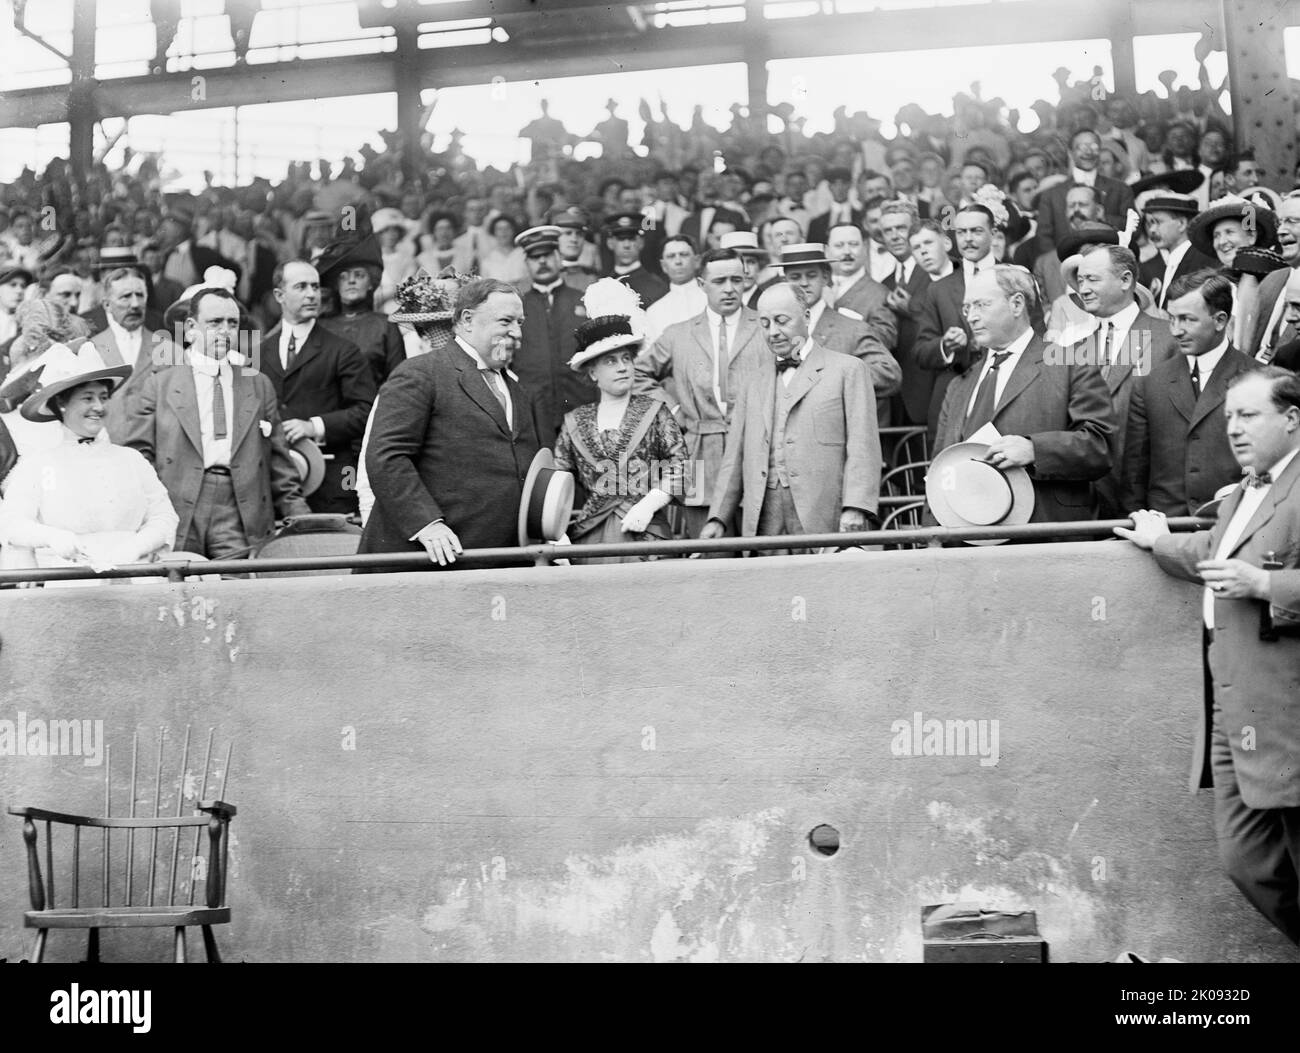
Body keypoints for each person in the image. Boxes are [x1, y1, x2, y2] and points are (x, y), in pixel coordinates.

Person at [1115, 367, 1300, 946]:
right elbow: (1211, 551)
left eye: (1249, 416)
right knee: (1246, 860)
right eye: (1228, 419)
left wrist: (1266, 586)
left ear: (1292, 419)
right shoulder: (1247, 487)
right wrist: (1156, 540)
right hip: (1232, 702)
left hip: (1288, 704)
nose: (1235, 430)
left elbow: (1246, 571)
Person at [357, 278, 545, 568]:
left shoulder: (517, 391)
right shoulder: (421, 373)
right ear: (467, 320)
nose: (517, 332)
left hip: (492, 565)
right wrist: (427, 524)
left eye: (520, 322)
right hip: (421, 566)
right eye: (506, 321)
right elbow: (386, 456)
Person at [123, 286, 311, 561]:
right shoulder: (159, 384)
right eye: (214, 323)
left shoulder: (257, 384)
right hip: (177, 504)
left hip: (239, 506)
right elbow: (139, 459)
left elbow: (280, 464)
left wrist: (304, 521)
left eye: (232, 323)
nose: (225, 331)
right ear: (190, 328)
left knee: (238, 592)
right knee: (177, 590)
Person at [930, 266, 1115, 529]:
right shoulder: (959, 386)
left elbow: (1100, 447)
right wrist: (934, 537)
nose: (971, 317)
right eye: (967, 308)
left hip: (1044, 536)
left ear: (1016, 303)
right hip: (967, 543)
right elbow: (939, 467)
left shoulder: (1069, 364)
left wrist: (1034, 449)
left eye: (981, 305)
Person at [703, 282, 881, 554]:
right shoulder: (753, 382)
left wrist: (855, 507)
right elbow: (734, 458)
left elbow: (863, 447)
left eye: (781, 321)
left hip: (825, 517)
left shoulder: (848, 370)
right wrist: (718, 518)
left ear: (807, 317)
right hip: (764, 520)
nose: (773, 332)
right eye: (764, 324)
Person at [0, 343, 178, 582]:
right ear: (62, 403)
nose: (99, 407)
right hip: (70, 586)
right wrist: (52, 537)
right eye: (88, 398)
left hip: (134, 581)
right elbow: (13, 524)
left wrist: (136, 546)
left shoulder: (131, 460)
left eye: (103, 397)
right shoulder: (39, 466)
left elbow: (164, 516)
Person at [634, 248, 767, 542]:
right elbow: (636, 375)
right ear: (701, 284)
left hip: (756, 454)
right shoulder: (678, 334)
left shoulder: (766, 327)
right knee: (711, 558)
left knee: (761, 554)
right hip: (700, 457)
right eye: (719, 281)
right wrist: (674, 410)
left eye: (737, 279)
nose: (730, 289)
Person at [553, 279, 688, 564]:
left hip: (647, 536)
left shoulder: (656, 412)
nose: (623, 367)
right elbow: (557, 479)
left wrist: (650, 505)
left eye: (626, 358)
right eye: (611, 361)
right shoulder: (575, 421)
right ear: (592, 373)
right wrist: (555, 532)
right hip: (593, 536)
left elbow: (683, 468)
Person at [1121, 271, 1257, 516]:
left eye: (1187, 320)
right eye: (1172, 319)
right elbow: (1135, 474)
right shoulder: (1151, 383)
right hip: (1165, 530)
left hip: (1232, 523)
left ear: (1220, 320)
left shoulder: (1260, 379)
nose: (1175, 330)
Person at [1064, 243, 1178, 517]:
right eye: (1080, 281)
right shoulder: (1073, 351)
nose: (1084, 289)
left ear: (1126, 280)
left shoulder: (1168, 340)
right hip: (1086, 501)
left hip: (1146, 501)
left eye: (1092, 279)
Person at [259, 260, 376, 515]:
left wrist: (314, 426)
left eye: (315, 286)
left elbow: (366, 411)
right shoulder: (259, 353)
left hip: (330, 484)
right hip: (273, 483)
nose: (312, 294)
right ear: (279, 295)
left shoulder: (343, 350)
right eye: (301, 287)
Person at [777, 243, 899, 425]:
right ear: (784, 280)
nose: (803, 283)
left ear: (826, 277)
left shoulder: (852, 328)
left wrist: (835, 378)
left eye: (811, 276)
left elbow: (889, 374)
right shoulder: (772, 330)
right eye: (795, 277)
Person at [913, 204, 1000, 439]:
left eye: (976, 231)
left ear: (993, 233)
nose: (968, 239)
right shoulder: (939, 289)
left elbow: (1035, 337)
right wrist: (945, 345)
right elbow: (921, 351)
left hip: (1004, 391)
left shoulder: (1015, 276)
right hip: (955, 393)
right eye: (961, 232)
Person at [513, 225, 593, 443]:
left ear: (559, 257)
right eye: (534, 257)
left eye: (547, 255)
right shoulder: (515, 307)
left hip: (581, 404)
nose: (541, 261)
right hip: (535, 410)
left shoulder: (585, 300)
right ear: (526, 264)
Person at [89, 267, 170, 443]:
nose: (135, 304)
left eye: (139, 295)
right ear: (107, 305)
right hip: (105, 452)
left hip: (154, 454)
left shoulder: (168, 350)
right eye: (125, 296)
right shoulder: (91, 349)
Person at [316, 235, 407, 389]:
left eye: (359, 275)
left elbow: (398, 379)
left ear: (371, 283)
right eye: (344, 277)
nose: (351, 281)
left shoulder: (385, 325)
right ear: (337, 285)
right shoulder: (321, 325)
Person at [1036, 128, 1135, 254]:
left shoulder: (1120, 189)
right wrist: (1056, 264)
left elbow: (1134, 229)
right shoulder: (1051, 195)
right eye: (1081, 147)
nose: (1088, 152)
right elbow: (1043, 238)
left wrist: (1102, 217)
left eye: (1093, 147)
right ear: (1071, 153)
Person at [1138, 192, 1217, 311]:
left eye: (1158, 222)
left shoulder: (1203, 259)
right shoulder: (1174, 258)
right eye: (1151, 223)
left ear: (1181, 224)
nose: (1152, 230)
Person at [642, 234, 706, 347]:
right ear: (663, 266)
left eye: (684, 255)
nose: (678, 261)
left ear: (697, 261)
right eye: (671, 256)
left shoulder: (711, 299)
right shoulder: (654, 312)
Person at [602, 212, 668, 307]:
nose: (626, 245)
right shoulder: (602, 287)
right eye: (621, 239)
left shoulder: (657, 287)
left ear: (641, 242)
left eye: (632, 239)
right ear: (610, 243)